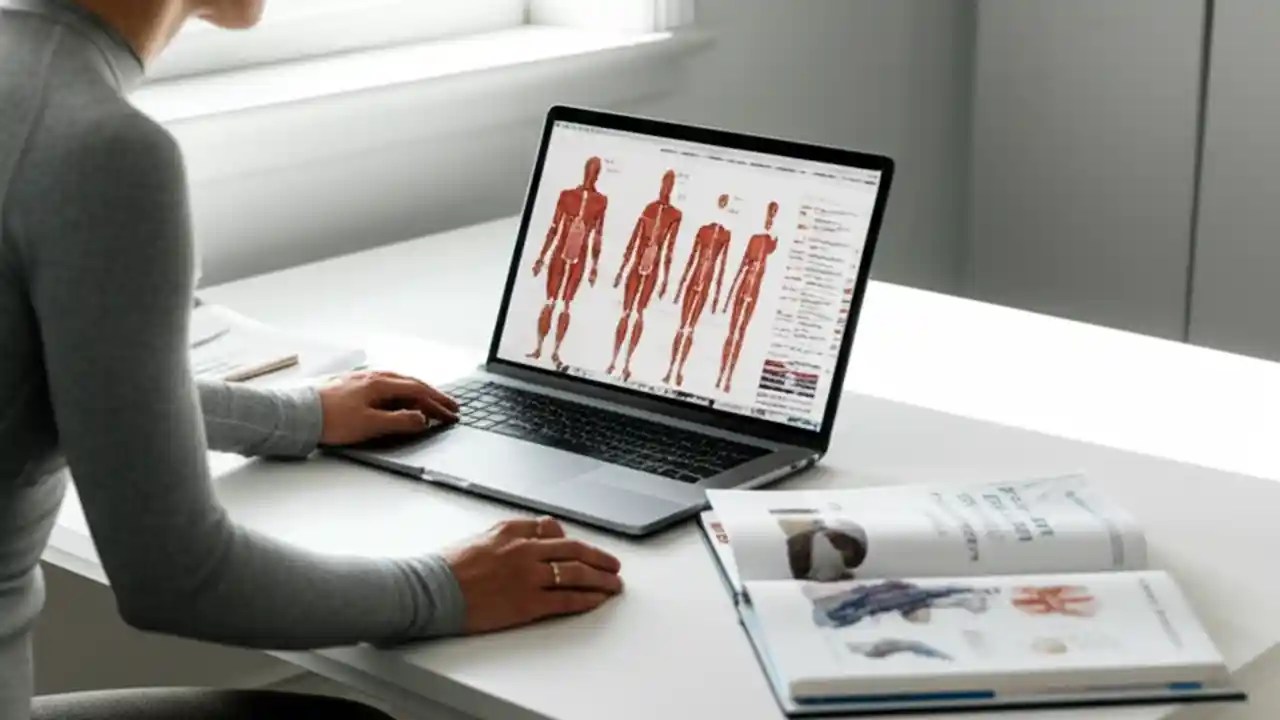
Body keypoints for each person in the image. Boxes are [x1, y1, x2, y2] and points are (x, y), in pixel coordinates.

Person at [0, 1, 624, 718]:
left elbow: (69, 374)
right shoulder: (100, 149)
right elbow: (178, 578)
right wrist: (445, 588)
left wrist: (296, 414)